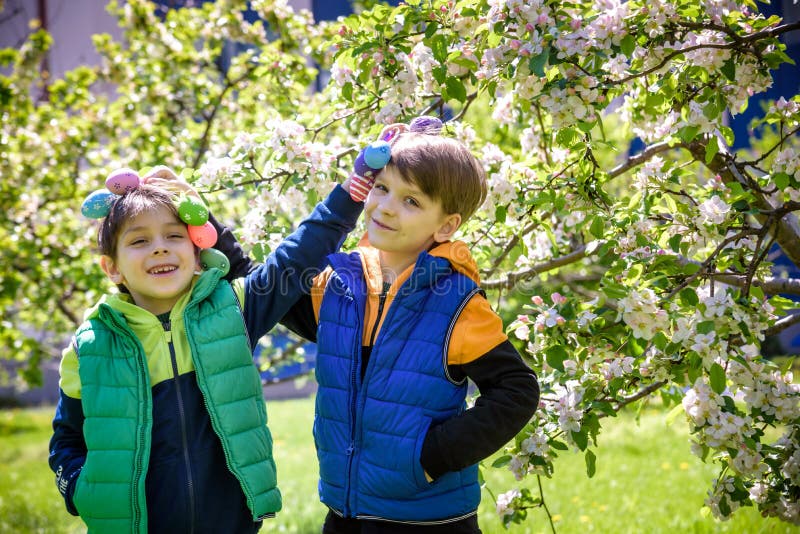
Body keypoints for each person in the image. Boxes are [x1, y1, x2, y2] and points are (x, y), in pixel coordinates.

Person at [48, 165, 363, 533]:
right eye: (139, 241)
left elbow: (296, 256)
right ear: (112, 267)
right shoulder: (91, 347)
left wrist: (352, 192)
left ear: (198, 253)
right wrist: (78, 489)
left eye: (173, 236)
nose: (160, 247)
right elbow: (66, 439)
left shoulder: (232, 310)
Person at [277, 119, 541, 533]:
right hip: (344, 513)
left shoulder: (456, 302)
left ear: (446, 225)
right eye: (382, 188)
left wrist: (429, 457)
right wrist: (210, 236)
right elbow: (268, 297)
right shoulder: (342, 282)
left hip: (427, 520)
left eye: (411, 201)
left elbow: (517, 391)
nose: (384, 207)